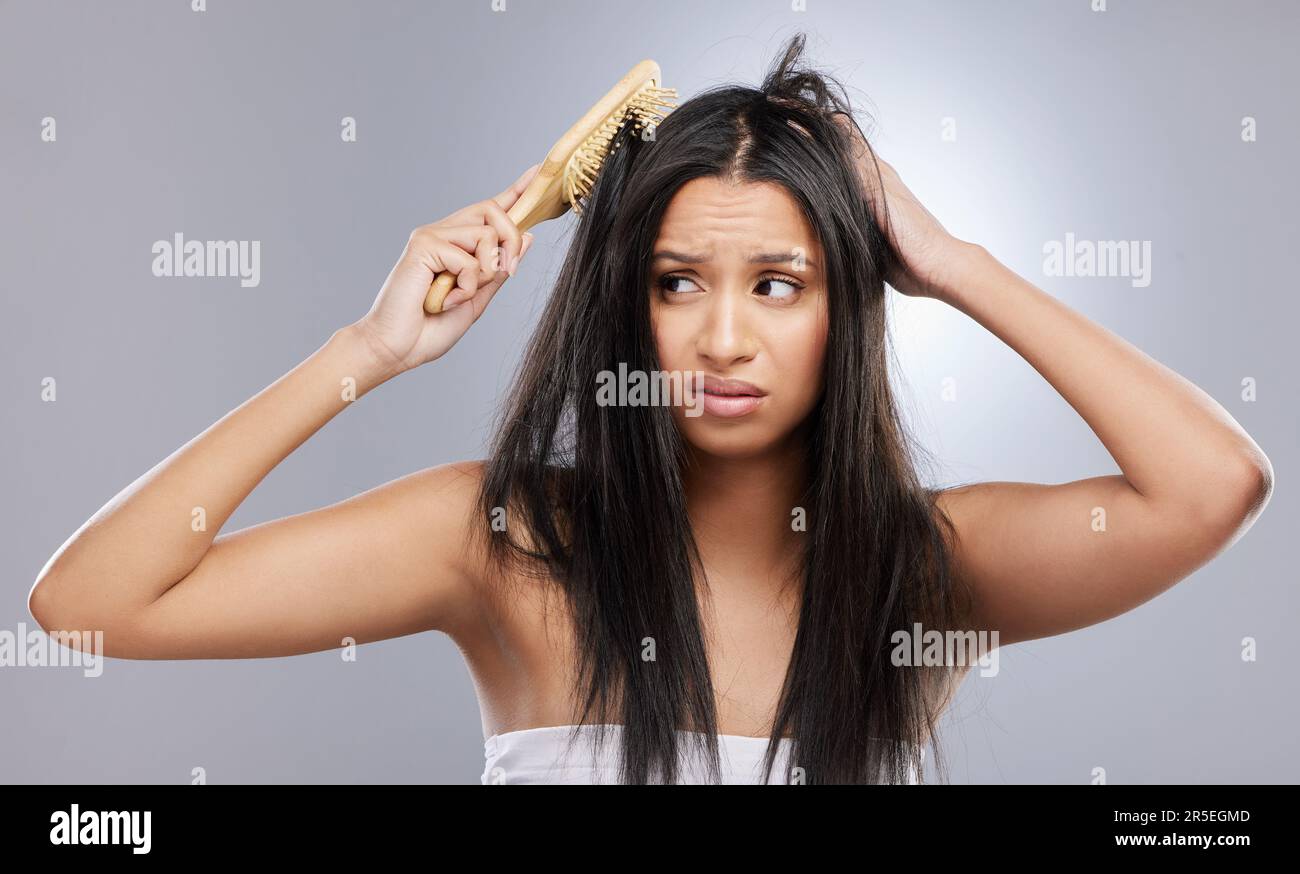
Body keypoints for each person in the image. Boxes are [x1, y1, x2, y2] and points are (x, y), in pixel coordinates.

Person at [27, 35, 1273, 784]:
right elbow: (89, 608)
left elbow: (1212, 484)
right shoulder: (503, 544)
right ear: (629, 303)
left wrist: (946, 258)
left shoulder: (918, 574)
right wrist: (367, 350)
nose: (723, 337)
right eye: (677, 282)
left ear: (849, 305)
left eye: (779, 285)